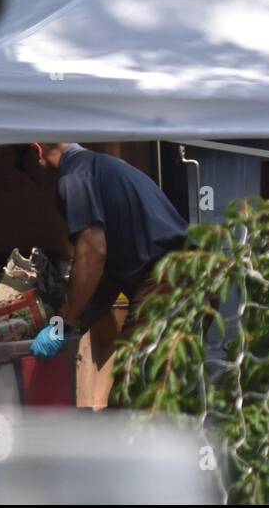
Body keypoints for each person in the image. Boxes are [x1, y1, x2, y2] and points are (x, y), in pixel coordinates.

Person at [14, 143, 188, 402]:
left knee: (131, 393)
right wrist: (78, 318)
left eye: (28, 172)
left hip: (167, 280)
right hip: (192, 276)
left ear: (36, 150)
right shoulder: (100, 167)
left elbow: (93, 253)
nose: (36, 183)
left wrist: (61, 324)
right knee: (166, 389)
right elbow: (107, 272)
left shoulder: (73, 178)